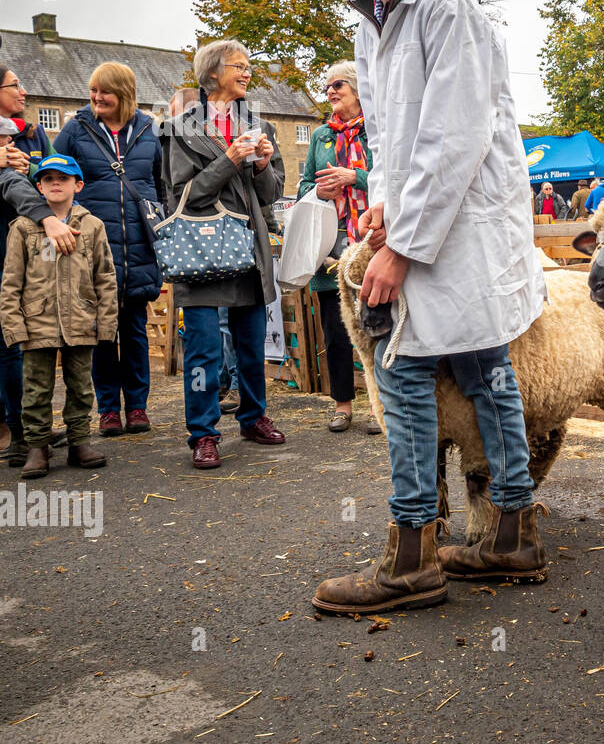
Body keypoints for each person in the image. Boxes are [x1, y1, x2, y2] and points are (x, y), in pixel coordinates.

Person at [313, 0, 549, 615]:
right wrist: (383, 206)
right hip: (427, 221)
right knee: (484, 367)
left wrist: (398, 249)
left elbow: (453, 140)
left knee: (404, 368)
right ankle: (512, 531)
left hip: (460, 225)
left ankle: (413, 551)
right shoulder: (372, 21)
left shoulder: (449, 12)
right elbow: (388, 133)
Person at [160, 40, 286, 470]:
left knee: (251, 347)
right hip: (201, 253)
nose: (248, 72)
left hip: (248, 251)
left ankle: (253, 418)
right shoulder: (180, 131)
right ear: (212, 73)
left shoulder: (260, 126)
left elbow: (272, 196)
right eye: (239, 66)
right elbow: (184, 197)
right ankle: (204, 434)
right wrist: (230, 160)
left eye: (249, 66)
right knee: (204, 353)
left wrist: (265, 165)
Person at [54, 62, 163, 436]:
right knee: (102, 333)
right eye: (93, 91)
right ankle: (108, 409)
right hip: (93, 249)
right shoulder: (75, 129)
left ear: (125, 95)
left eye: (105, 92)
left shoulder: (149, 131)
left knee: (134, 329)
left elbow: (159, 185)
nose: (97, 98)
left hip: (137, 249)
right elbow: (52, 174)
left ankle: (137, 406)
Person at [1, 155, 117, 478]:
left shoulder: (92, 226)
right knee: (36, 389)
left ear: (78, 185)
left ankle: (80, 441)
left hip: (81, 321)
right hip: (36, 324)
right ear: (37, 185)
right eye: (48, 178)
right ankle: (37, 447)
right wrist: (13, 327)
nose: (55, 182)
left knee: (81, 386)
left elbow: (105, 278)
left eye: (63, 178)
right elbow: (10, 282)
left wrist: (106, 324)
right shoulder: (23, 228)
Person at [0, 64, 78, 466]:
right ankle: (21, 433)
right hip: (14, 244)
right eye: (15, 85)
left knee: (14, 346)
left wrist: (26, 168)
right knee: (11, 345)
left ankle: (25, 431)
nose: (25, 91)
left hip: (18, 244)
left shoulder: (29, 133)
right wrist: (47, 218)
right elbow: (11, 186)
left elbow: (47, 173)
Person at [297, 60, 380, 434]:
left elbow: (391, 178)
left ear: (359, 89)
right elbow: (302, 187)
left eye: (339, 85)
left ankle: (384, 404)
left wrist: (355, 177)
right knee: (336, 330)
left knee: (383, 326)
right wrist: (318, 190)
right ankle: (343, 406)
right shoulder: (320, 137)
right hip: (330, 247)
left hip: (373, 243)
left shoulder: (376, 130)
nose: (331, 91)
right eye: (327, 85)